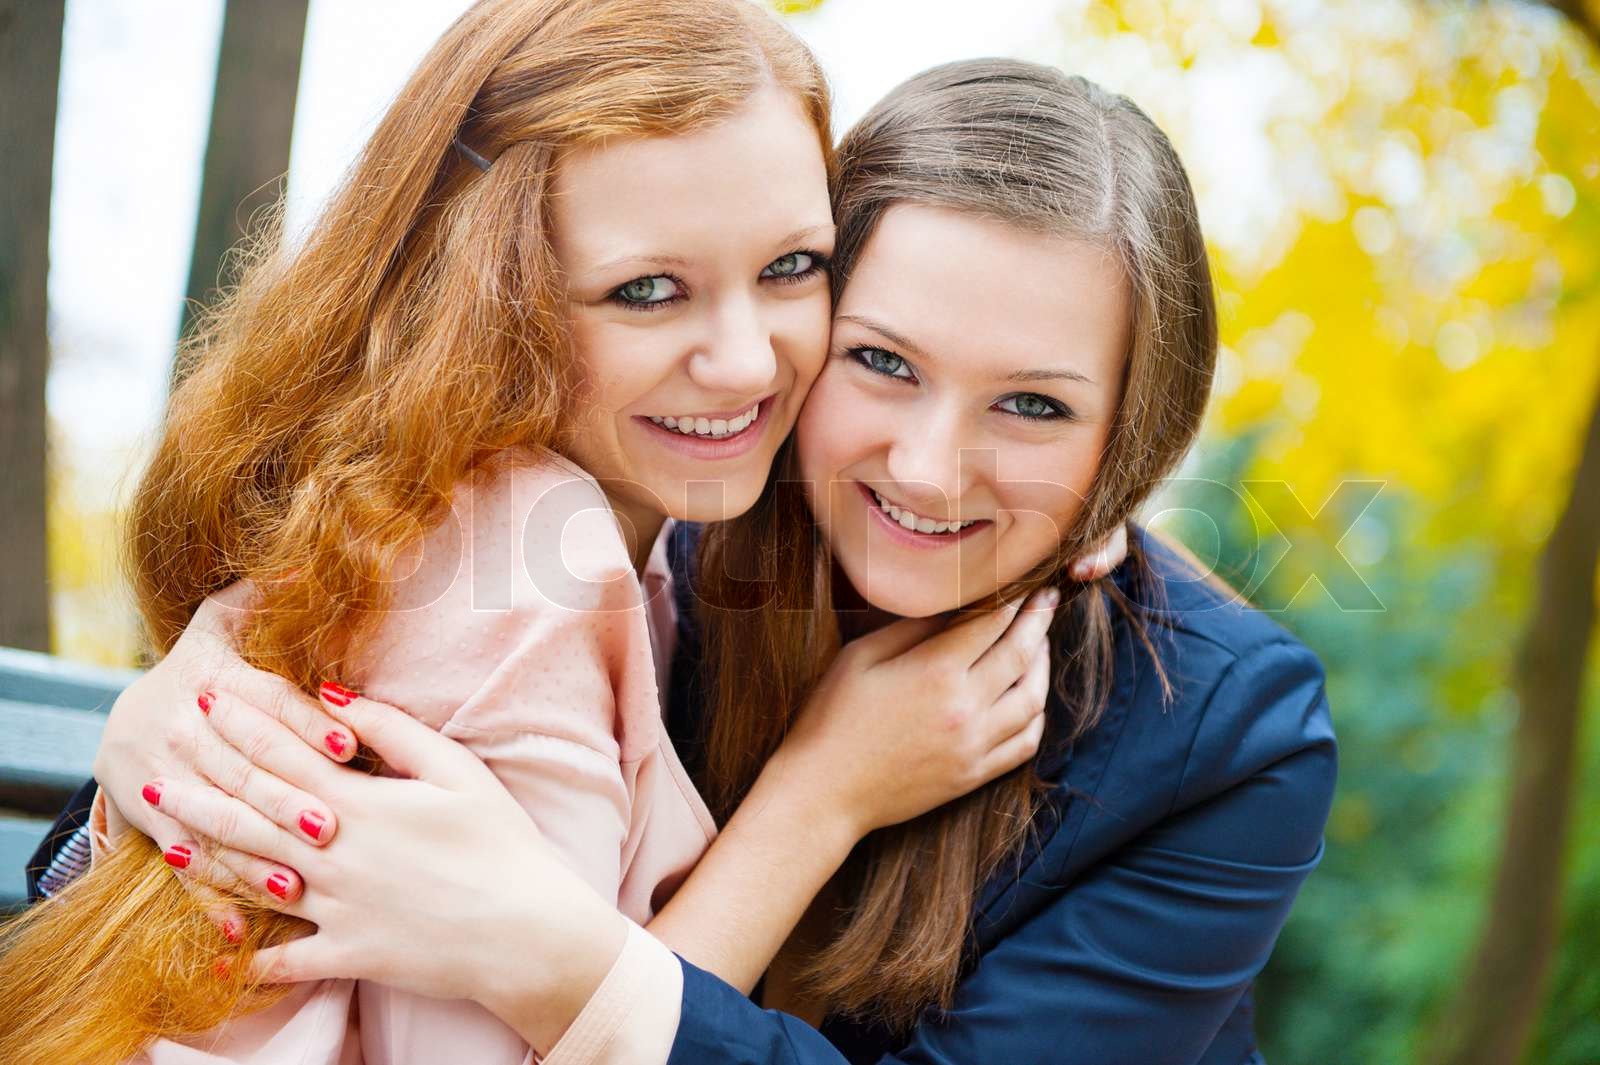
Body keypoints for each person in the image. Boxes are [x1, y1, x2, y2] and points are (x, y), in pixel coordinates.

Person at [28, 57, 1336, 1065]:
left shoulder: (1222, 734)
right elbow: (146, 915)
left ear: (1133, 427)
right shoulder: (656, 550)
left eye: (1035, 407)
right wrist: (180, 726)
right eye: (883, 362)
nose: (933, 469)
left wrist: (566, 945)